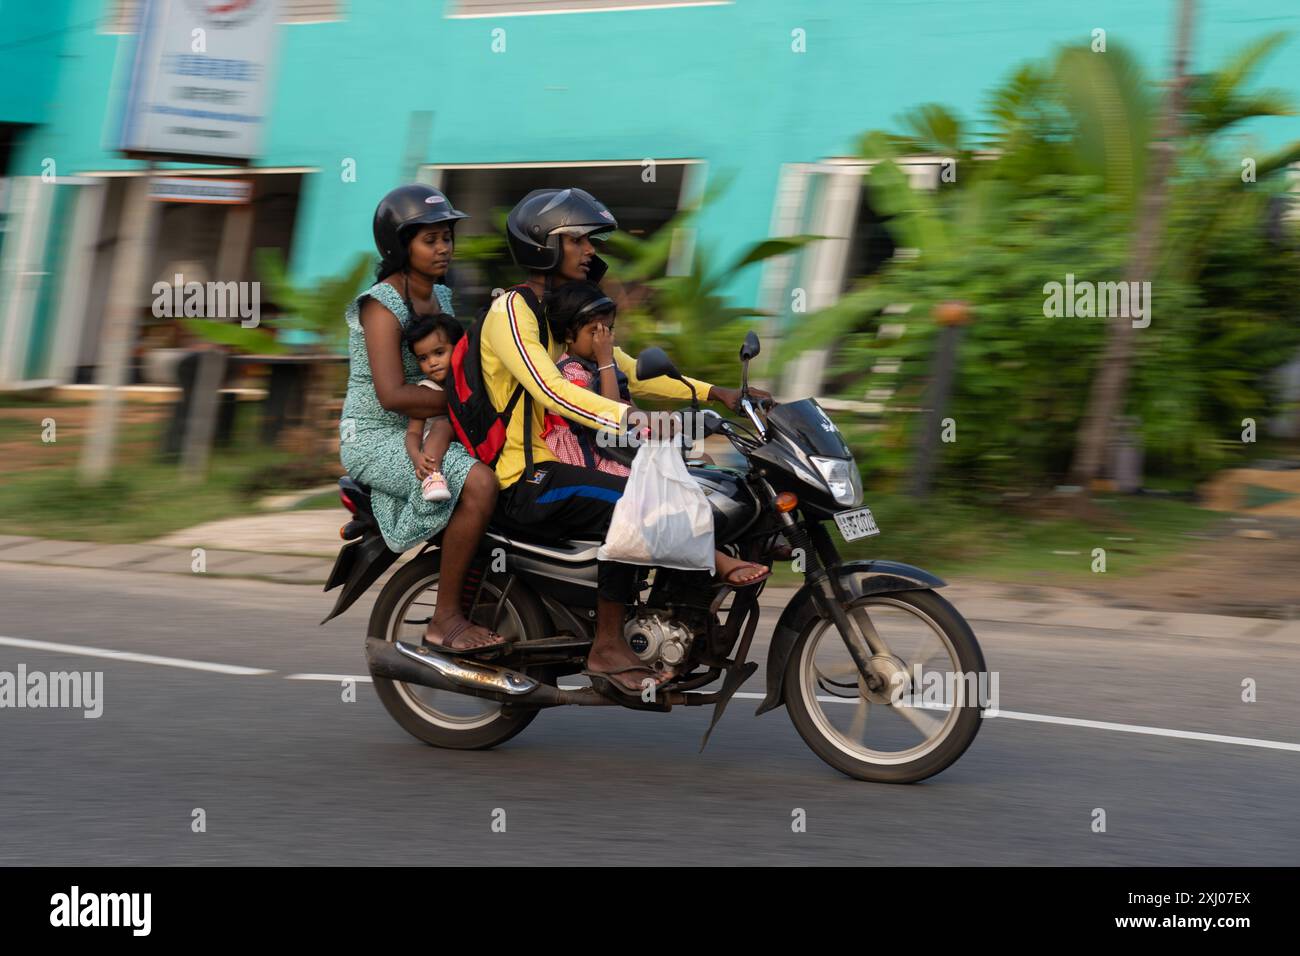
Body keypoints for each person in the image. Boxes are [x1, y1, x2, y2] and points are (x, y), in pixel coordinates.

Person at [476, 187, 771, 696]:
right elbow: (551, 387)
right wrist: (630, 418)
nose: (591, 251)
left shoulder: (555, 314)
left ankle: (679, 617)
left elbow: (631, 371)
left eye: (590, 242)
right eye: (578, 241)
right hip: (528, 475)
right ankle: (608, 644)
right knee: (640, 504)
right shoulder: (512, 313)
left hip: (566, 465)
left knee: (688, 488)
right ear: (544, 244)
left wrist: (714, 392)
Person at [339, 184, 506, 654]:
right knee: (479, 483)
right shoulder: (380, 304)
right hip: (375, 436)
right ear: (399, 245)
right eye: (429, 239)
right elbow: (392, 395)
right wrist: (470, 402)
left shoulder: (444, 300)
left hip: (435, 423)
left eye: (447, 237)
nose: (443, 248)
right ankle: (444, 619)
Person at [541, 280, 770, 586]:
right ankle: (718, 558)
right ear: (568, 334)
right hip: (588, 457)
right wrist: (607, 360)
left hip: (611, 447)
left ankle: (748, 535)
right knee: (662, 489)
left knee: (701, 464)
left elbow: (629, 407)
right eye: (595, 332)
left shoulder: (598, 366)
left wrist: (669, 423)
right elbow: (609, 415)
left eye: (608, 330)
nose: (604, 339)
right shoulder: (569, 371)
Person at [403, 312, 463, 502]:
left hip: (464, 442)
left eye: (439, 353)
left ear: (458, 347)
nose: (432, 363)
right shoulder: (425, 390)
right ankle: (432, 478)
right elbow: (413, 432)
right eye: (423, 358)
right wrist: (416, 456)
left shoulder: (469, 383)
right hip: (434, 446)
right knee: (443, 425)